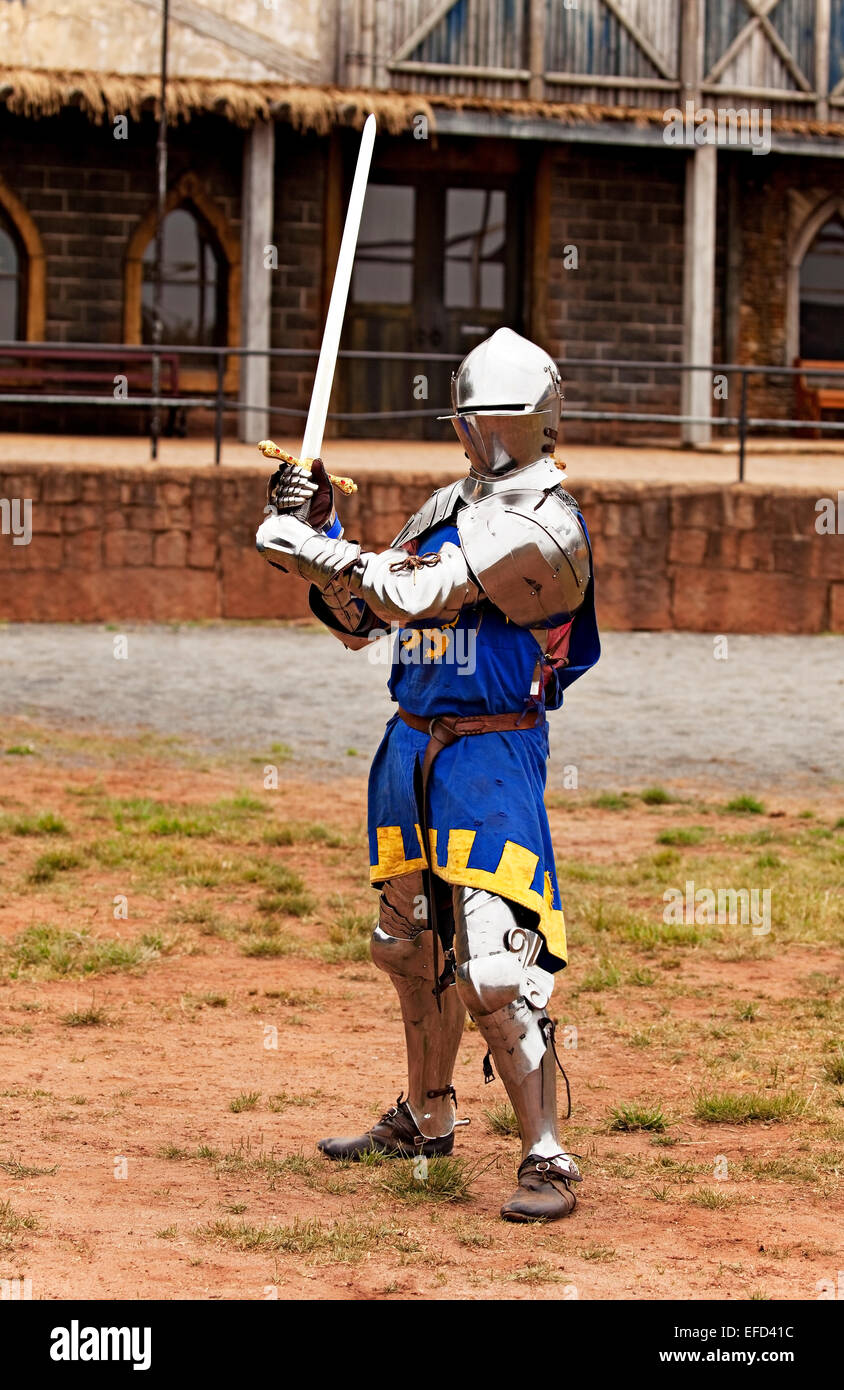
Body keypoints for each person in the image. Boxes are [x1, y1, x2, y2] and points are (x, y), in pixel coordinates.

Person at [256, 328, 600, 1221]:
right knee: (407, 947)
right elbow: (365, 621)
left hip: (491, 748)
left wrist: (307, 541)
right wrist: (321, 526)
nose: (482, 436)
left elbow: (418, 592)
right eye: (472, 419)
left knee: (490, 968)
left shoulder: (549, 525)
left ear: (536, 423)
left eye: (498, 420)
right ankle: (426, 1115)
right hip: (410, 740)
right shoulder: (446, 505)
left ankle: (548, 1158)